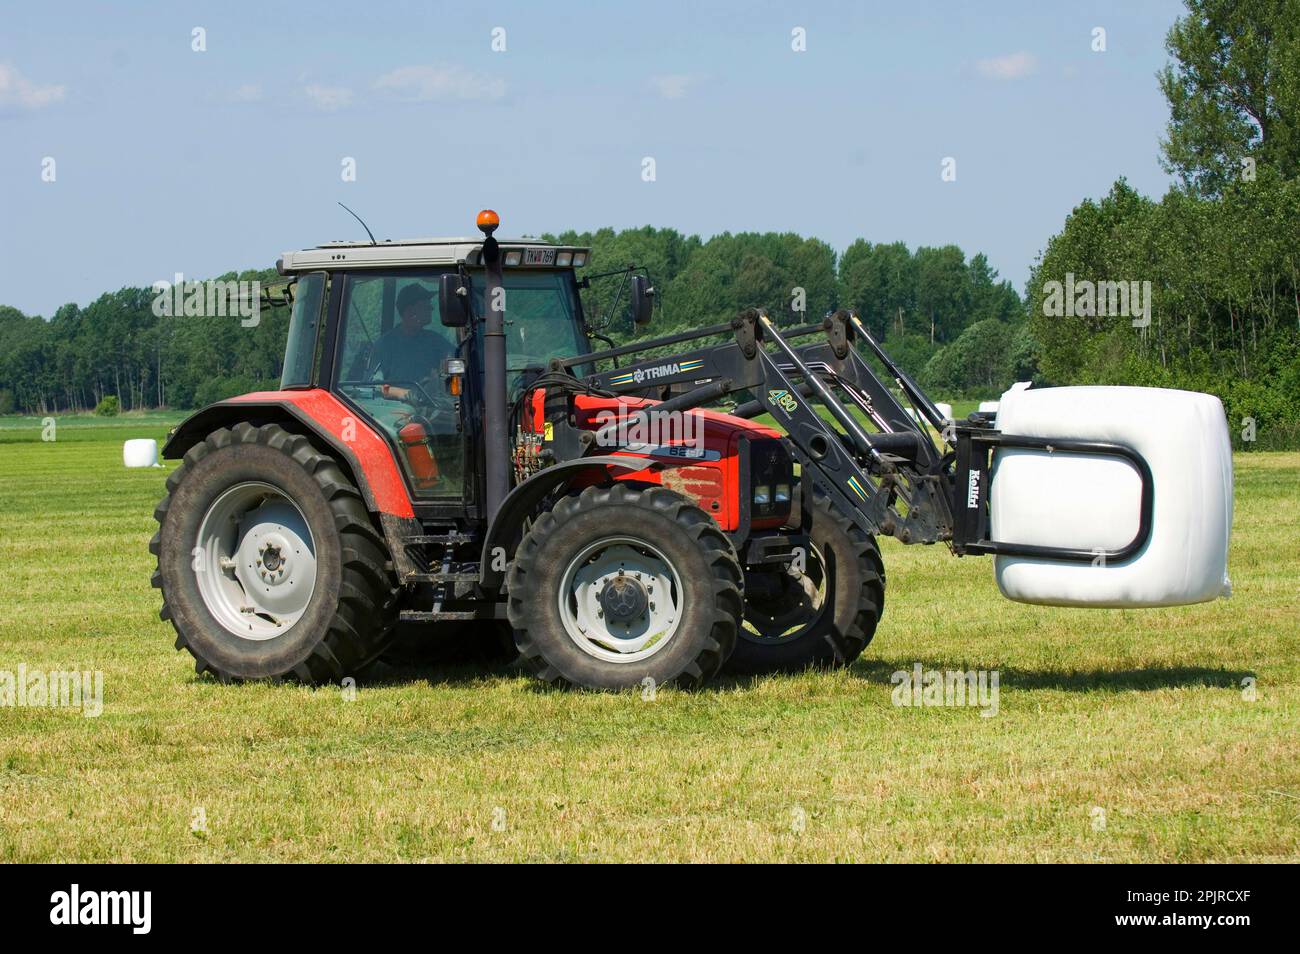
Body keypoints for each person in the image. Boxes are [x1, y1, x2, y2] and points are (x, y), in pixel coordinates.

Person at [370, 283, 454, 385]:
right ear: (410, 311)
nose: (432, 308)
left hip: (431, 401)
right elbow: (374, 386)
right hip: (394, 401)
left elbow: (456, 360)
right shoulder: (385, 345)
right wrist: (406, 395)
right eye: (426, 306)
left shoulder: (435, 341)